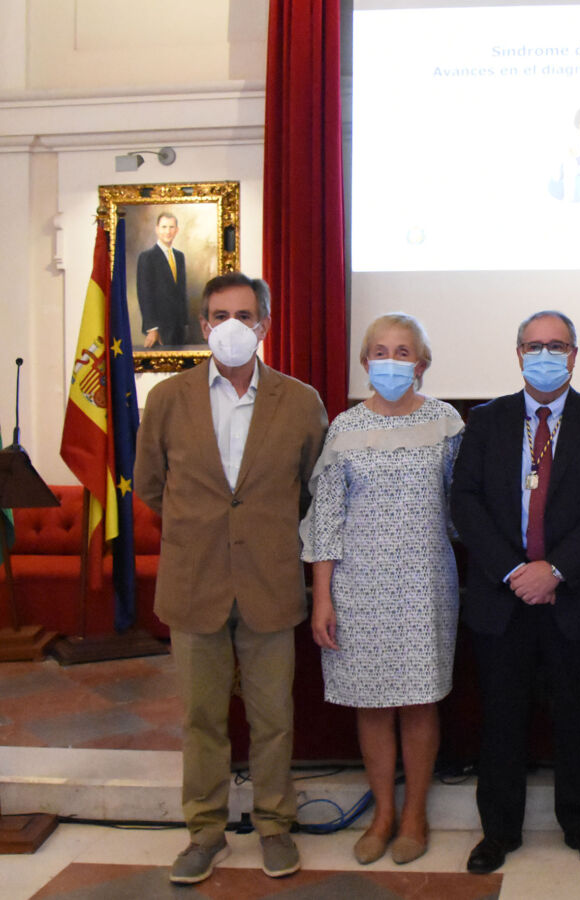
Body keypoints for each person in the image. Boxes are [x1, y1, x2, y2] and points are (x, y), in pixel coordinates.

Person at [134, 272, 328, 885]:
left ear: (265, 325)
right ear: (204, 324)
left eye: (245, 314)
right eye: (220, 314)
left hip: (269, 582)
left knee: (273, 716)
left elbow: (312, 490)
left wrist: (263, 533)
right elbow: (150, 488)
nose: (232, 324)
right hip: (195, 583)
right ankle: (204, 831)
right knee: (201, 718)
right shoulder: (167, 398)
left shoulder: (301, 401)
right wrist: (203, 531)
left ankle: (274, 825)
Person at [450, 311, 580, 875]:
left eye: (556, 346)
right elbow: (467, 503)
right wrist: (515, 572)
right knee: (501, 719)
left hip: (577, 598)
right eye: (534, 345)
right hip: (501, 599)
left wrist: (553, 570)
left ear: (575, 355)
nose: (545, 354)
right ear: (518, 353)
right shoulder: (485, 421)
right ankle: (498, 833)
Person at [303, 313, 463, 866]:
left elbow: (462, 511)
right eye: (380, 350)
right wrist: (322, 596)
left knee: (419, 702)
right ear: (365, 361)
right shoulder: (343, 428)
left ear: (421, 364)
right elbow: (325, 520)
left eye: (402, 351)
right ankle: (383, 814)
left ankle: (415, 813)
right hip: (357, 588)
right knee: (370, 705)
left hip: (425, 586)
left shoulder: (448, 423)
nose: (390, 361)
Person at [136, 212, 189, 347]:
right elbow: (144, 294)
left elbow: (181, 291)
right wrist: (152, 328)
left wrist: (184, 323)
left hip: (178, 327)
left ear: (177, 230)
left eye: (171, 227)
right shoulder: (147, 257)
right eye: (164, 227)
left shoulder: (179, 256)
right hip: (159, 328)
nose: (168, 231)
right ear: (157, 229)